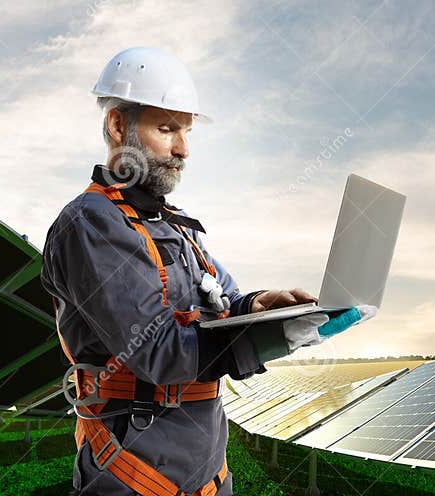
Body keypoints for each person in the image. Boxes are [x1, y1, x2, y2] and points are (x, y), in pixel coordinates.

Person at [40, 46, 373, 496]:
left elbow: (223, 300)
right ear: (118, 126)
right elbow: (156, 351)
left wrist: (257, 306)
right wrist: (273, 337)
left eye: (187, 131)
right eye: (166, 129)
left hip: (210, 476)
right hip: (131, 474)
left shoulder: (176, 227)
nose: (183, 149)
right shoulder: (91, 224)